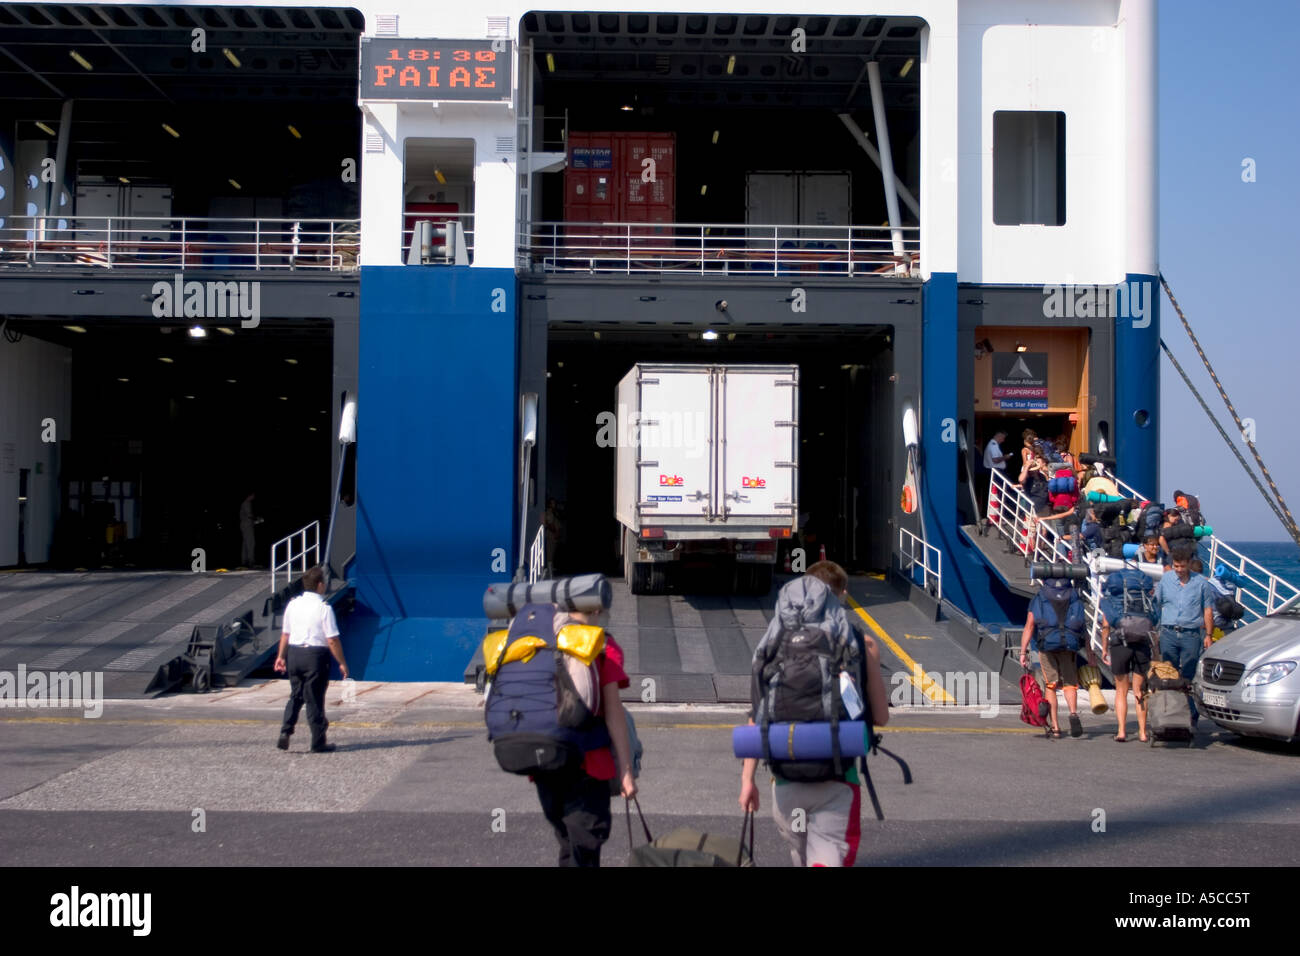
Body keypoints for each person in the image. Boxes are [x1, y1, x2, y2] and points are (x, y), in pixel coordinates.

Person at [739, 560, 889, 867]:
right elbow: (881, 717)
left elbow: (758, 716)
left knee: (801, 858)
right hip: (837, 781)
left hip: (785, 782)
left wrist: (747, 781)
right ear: (840, 595)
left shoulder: (775, 643)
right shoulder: (861, 643)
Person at [532, 609, 637, 867]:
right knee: (585, 851)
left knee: (568, 845)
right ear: (596, 609)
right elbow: (614, 714)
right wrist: (625, 770)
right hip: (589, 768)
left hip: (545, 766)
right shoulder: (602, 645)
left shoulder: (539, 642)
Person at [275, 565, 349, 752]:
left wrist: (280, 657)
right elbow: (332, 640)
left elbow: (285, 634)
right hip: (315, 656)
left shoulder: (293, 604)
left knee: (296, 695)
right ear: (320, 585)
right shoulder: (324, 608)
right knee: (315, 699)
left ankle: (285, 731)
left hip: (294, 654)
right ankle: (318, 742)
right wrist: (342, 662)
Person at [1018, 580, 1095, 738]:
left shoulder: (1040, 597)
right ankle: (1073, 714)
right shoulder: (1073, 595)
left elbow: (1029, 626)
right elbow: (1082, 627)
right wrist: (1090, 653)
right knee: (1070, 684)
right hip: (1069, 643)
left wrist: (1023, 651)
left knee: (1051, 685)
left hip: (1047, 644)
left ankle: (1055, 726)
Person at [1154, 543, 1215, 728]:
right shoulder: (1166, 580)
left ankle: (1191, 715)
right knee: (1168, 674)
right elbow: (1157, 604)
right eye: (1176, 566)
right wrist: (1155, 630)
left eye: (1182, 566)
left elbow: (1207, 610)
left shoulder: (1201, 583)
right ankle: (1170, 714)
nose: (1179, 570)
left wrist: (1209, 635)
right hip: (1168, 632)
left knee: (1188, 676)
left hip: (1191, 634)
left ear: (1189, 564)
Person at [1099, 590, 1152, 743]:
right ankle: (1142, 733)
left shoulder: (1112, 601)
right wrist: (1154, 651)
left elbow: (1106, 626)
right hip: (1142, 646)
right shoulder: (1142, 599)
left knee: (1121, 691)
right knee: (1139, 690)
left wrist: (1104, 648)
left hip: (1120, 646)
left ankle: (1121, 731)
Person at [239, 491, 262, 567]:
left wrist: (255, 521)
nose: (254, 497)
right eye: (253, 495)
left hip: (245, 525)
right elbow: (249, 515)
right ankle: (251, 561)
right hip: (247, 526)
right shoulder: (247, 503)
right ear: (250, 496)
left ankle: (244, 561)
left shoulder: (244, 503)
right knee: (250, 543)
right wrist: (257, 518)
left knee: (245, 543)